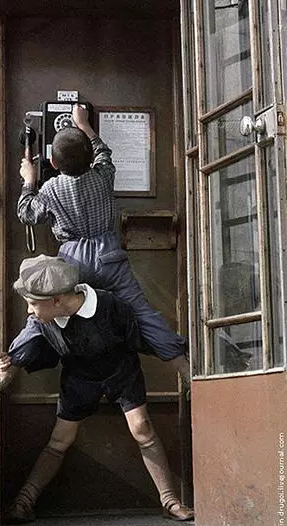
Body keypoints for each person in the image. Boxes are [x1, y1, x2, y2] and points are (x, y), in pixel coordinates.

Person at [1, 254, 194, 525]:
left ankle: (170, 501)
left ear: (57, 300)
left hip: (121, 371)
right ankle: (24, 501)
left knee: (142, 428)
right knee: (59, 440)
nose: (29, 311)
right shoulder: (41, 323)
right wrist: (6, 366)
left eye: (33, 304)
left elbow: (135, 335)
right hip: (79, 378)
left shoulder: (109, 305)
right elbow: (23, 348)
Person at [12, 104, 190, 383]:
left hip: (73, 260)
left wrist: (28, 180)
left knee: (41, 307)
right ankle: (183, 367)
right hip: (109, 255)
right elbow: (103, 152)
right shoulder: (103, 176)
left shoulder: (50, 189)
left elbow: (26, 213)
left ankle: (12, 363)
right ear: (89, 158)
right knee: (141, 311)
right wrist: (83, 124)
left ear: (54, 164)